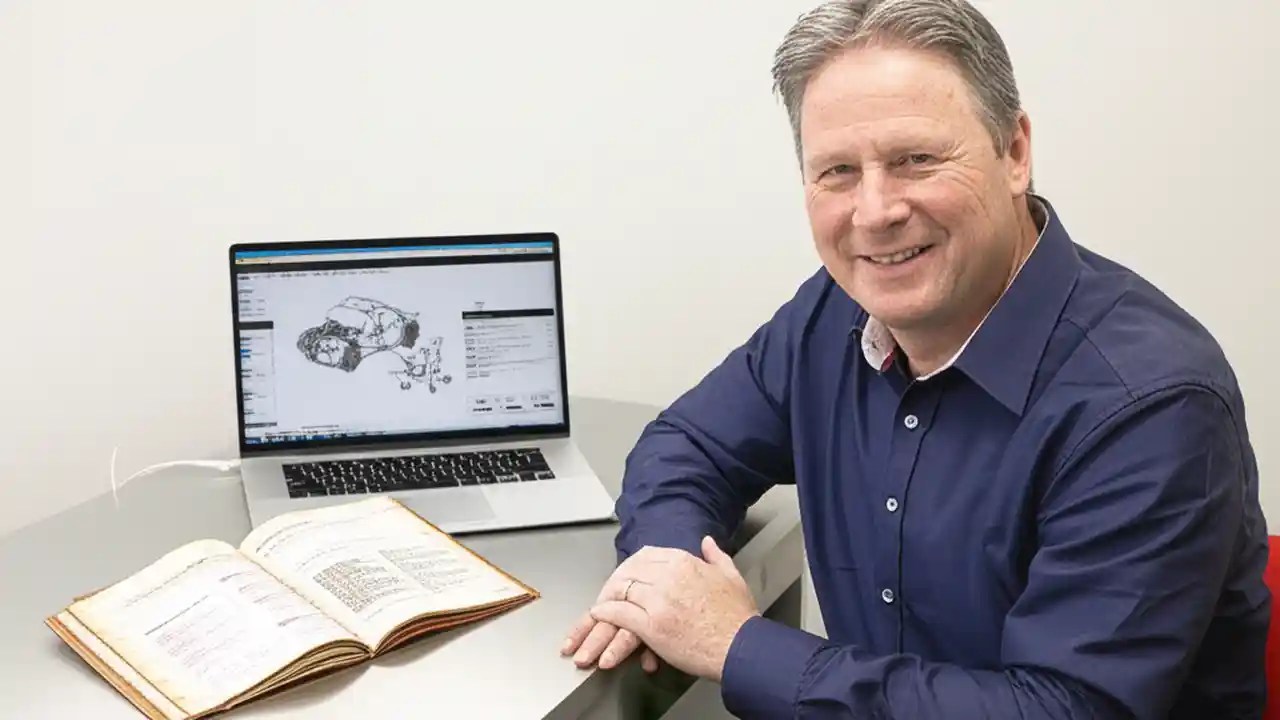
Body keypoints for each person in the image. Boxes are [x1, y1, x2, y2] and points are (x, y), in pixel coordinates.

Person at [561, 0, 1270, 717]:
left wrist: (735, 643)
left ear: (1014, 151)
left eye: (916, 160)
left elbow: (1061, 710)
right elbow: (688, 444)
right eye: (838, 171)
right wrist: (668, 575)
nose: (875, 212)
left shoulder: (1149, 406)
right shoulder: (837, 314)